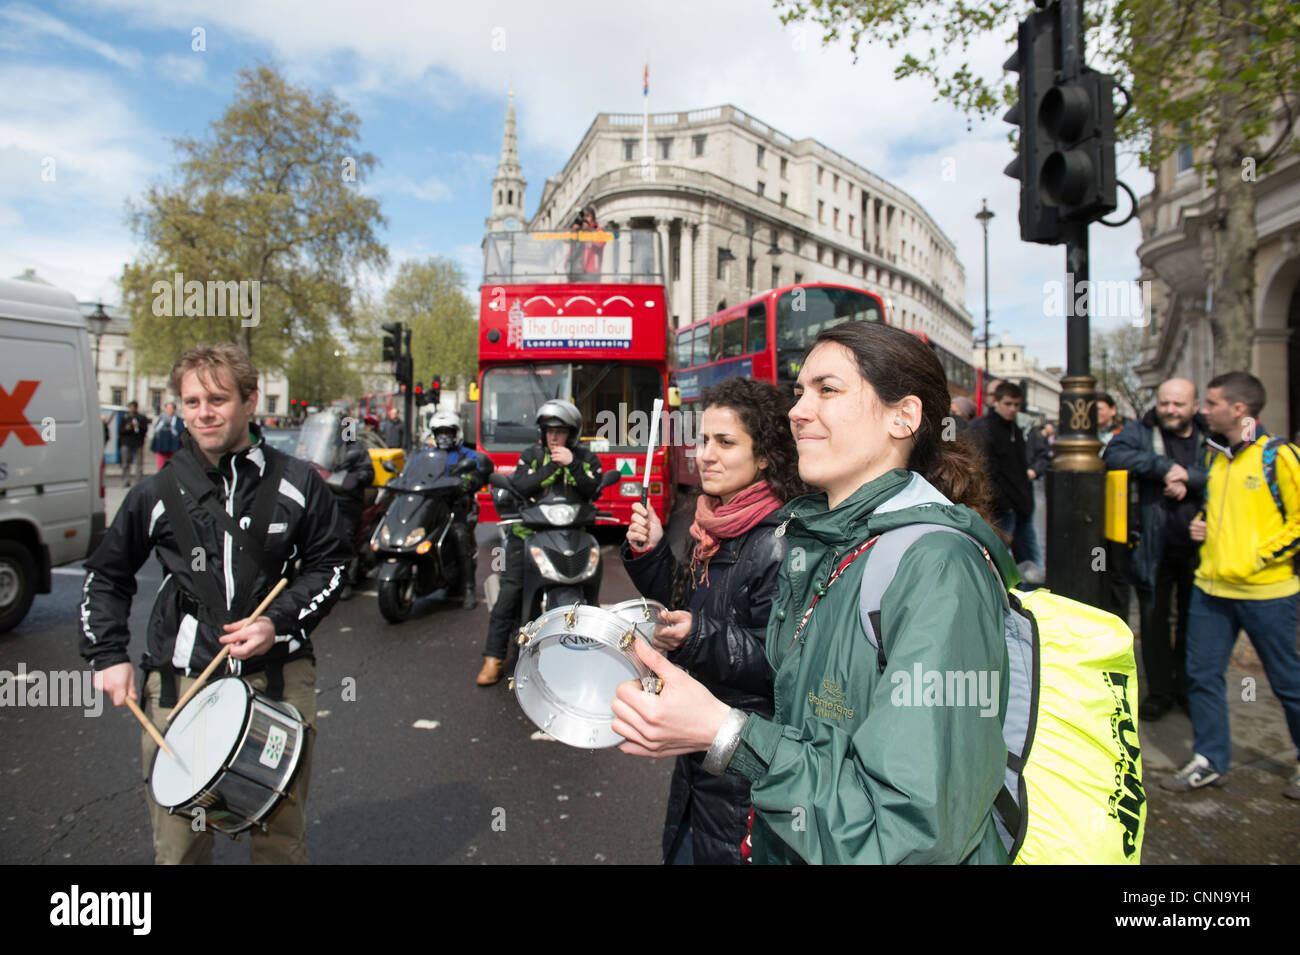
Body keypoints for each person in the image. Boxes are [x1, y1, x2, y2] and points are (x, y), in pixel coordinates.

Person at [612, 321, 1014, 864]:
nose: (798, 411)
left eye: (828, 389)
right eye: (800, 392)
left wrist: (726, 732)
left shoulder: (938, 566)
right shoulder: (823, 543)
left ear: (905, 416)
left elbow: (909, 834)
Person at [80, 344, 353, 863]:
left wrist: (278, 621)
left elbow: (331, 565)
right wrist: (108, 656)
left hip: (278, 677)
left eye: (217, 399)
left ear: (251, 402)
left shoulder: (298, 483)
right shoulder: (156, 490)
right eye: (191, 401)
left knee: (279, 841)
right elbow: (105, 576)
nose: (203, 412)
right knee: (180, 847)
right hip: (180, 683)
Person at [622, 378, 802, 865]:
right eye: (703, 440)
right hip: (700, 760)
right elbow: (686, 604)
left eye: (725, 442)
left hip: (745, 766)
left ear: (764, 456)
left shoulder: (779, 542)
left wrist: (697, 637)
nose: (706, 455)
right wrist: (652, 551)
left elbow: (782, 662)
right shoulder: (710, 522)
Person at [1163, 372, 1300, 799]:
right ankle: (1210, 760)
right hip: (1211, 589)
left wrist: (1257, 557)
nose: (1205, 410)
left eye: (1212, 403)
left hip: (1267, 594)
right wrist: (1206, 527)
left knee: (1287, 682)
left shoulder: (1279, 456)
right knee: (1202, 676)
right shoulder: (1217, 457)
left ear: (1239, 410)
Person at [476, 399, 603, 686]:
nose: (555, 437)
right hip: (528, 534)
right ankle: (493, 658)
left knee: (591, 586)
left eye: (561, 431)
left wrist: (572, 465)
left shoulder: (585, 458)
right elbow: (521, 485)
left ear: (572, 433)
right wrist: (551, 469)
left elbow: (592, 490)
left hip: (573, 533)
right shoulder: (530, 455)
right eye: (549, 431)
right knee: (510, 590)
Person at [1103, 378, 1207, 722]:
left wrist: (1188, 478)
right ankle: (1160, 691)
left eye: (1178, 404)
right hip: (1154, 546)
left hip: (1202, 548)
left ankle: (1188, 690)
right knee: (1154, 621)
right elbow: (1114, 454)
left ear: (1194, 405)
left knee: (1196, 623)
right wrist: (1163, 468)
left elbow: (1229, 472)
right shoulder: (1141, 430)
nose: (1170, 410)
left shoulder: (1210, 436)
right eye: (1165, 403)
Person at [415, 409, 494, 610]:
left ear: (456, 433)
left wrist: (469, 481)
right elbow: (413, 473)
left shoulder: (466, 455)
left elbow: (477, 472)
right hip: (429, 506)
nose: (444, 436)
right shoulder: (426, 455)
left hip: (455, 506)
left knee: (460, 537)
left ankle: (468, 588)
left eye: (448, 431)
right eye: (440, 431)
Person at [969, 381, 1042, 566]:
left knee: (1029, 560)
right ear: (996, 401)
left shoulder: (1015, 429)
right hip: (1002, 509)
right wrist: (1002, 503)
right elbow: (984, 470)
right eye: (1008, 404)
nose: (1012, 409)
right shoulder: (984, 429)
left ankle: (1030, 590)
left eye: (1016, 405)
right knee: (999, 560)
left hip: (1020, 505)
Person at [119, 401, 151, 486]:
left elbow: (145, 429)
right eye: (130, 408)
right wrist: (127, 428)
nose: (132, 409)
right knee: (125, 463)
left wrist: (138, 426)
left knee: (138, 463)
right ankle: (125, 481)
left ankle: (138, 481)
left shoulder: (141, 418)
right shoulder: (125, 417)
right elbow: (120, 430)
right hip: (126, 442)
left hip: (138, 443)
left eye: (133, 408)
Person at [150, 401, 185, 471]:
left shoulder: (178, 420)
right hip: (161, 445)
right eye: (167, 408)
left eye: (170, 408)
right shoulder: (161, 419)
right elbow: (156, 431)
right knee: (161, 466)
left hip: (174, 446)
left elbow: (180, 432)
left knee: (174, 466)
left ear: (174, 410)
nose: (169, 410)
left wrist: (172, 427)